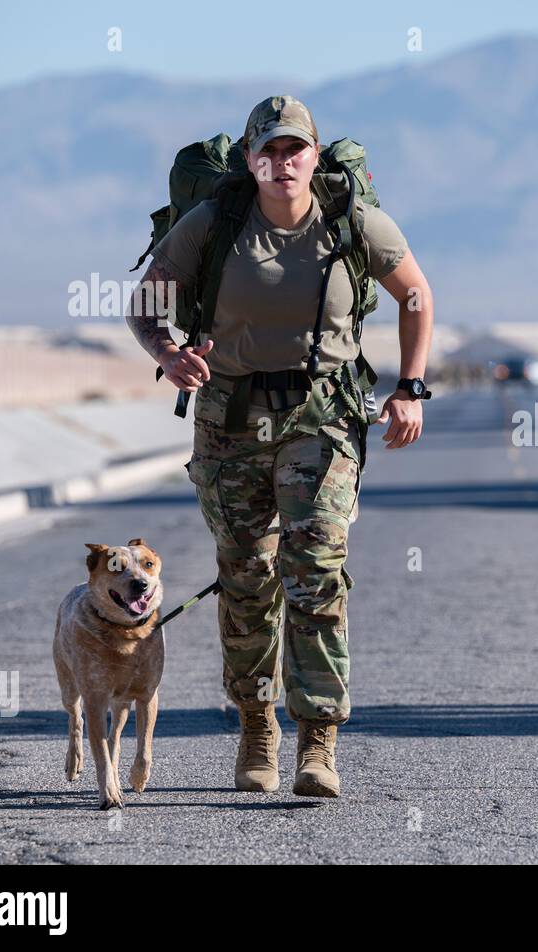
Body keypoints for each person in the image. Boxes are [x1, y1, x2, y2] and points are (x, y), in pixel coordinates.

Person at [125, 96, 434, 798]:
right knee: (246, 579)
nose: (282, 161)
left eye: (295, 148)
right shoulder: (216, 222)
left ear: (314, 155)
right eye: (268, 150)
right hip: (230, 418)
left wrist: (412, 386)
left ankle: (317, 741)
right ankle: (257, 727)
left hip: (319, 417)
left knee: (316, 565)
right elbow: (146, 302)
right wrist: (169, 352)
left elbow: (415, 294)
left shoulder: (352, 220)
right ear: (249, 158)